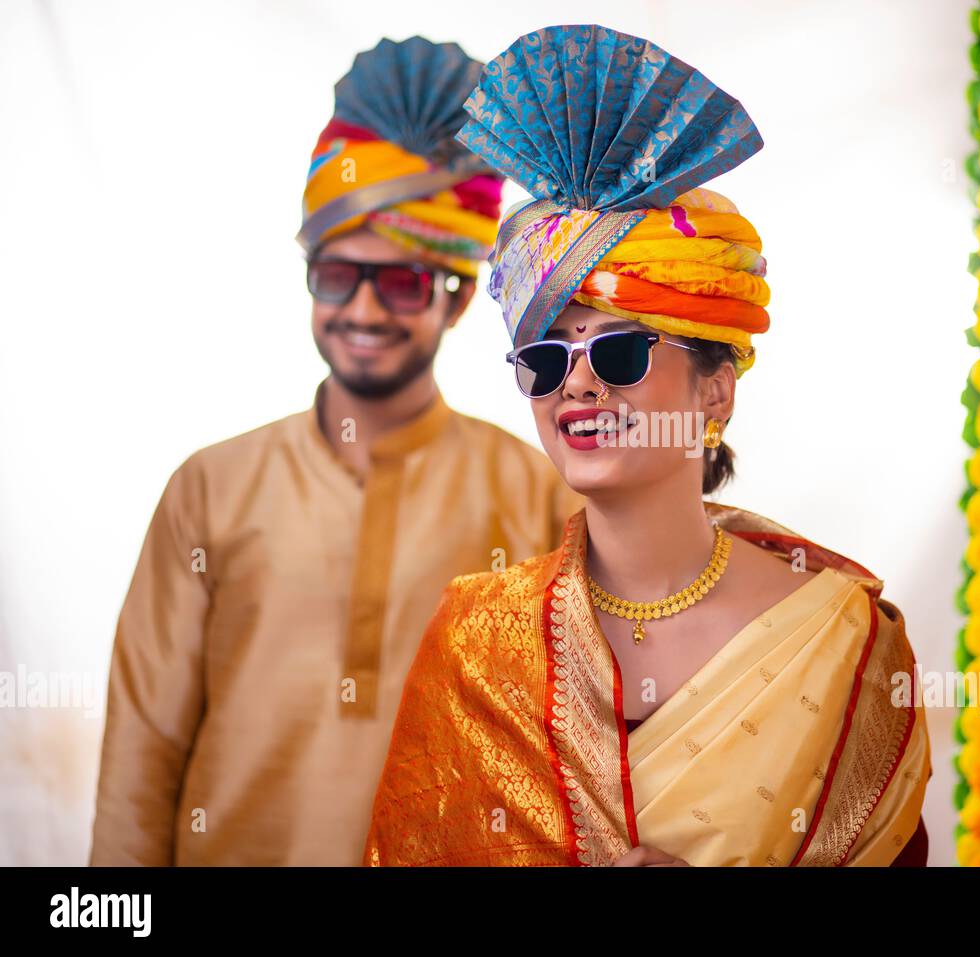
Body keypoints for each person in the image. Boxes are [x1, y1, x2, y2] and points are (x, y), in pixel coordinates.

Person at [364, 25, 930, 867]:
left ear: (715, 389)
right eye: (548, 358)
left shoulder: (843, 641)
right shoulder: (477, 640)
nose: (579, 387)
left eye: (621, 351)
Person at [90, 37, 582, 866]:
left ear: (456, 299)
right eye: (337, 274)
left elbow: (577, 753)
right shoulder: (209, 490)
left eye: (400, 282)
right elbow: (141, 753)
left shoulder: (534, 493)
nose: (363, 308)